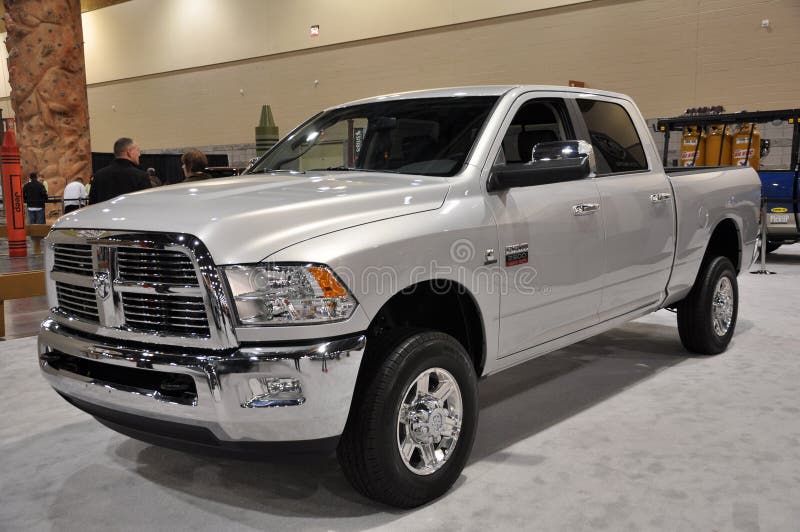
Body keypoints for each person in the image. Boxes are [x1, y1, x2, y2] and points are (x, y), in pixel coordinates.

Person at [88, 137, 151, 204]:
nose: (139, 154)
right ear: (129, 152)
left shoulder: (98, 175)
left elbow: (92, 205)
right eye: (138, 150)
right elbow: (146, 204)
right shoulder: (141, 176)